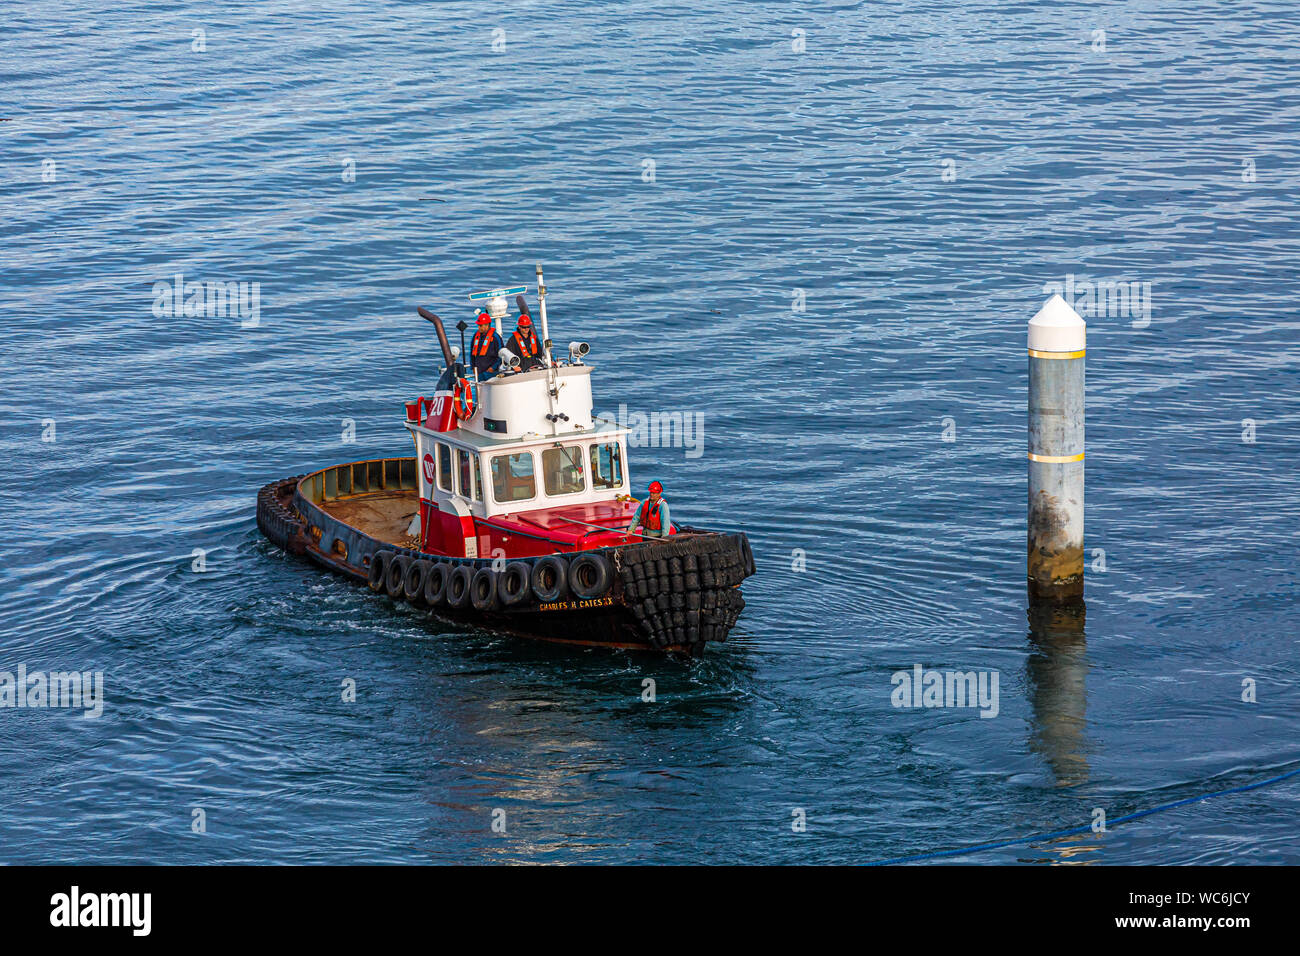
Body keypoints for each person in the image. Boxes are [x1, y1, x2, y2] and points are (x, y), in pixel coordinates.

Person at [469, 312, 504, 380]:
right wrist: (473, 366)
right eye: (478, 325)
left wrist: (493, 368)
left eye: (480, 325)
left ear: (487, 325)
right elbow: (472, 353)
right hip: (479, 373)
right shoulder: (476, 336)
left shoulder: (495, 337)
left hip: (491, 373)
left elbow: (501, 355)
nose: (479, 327)